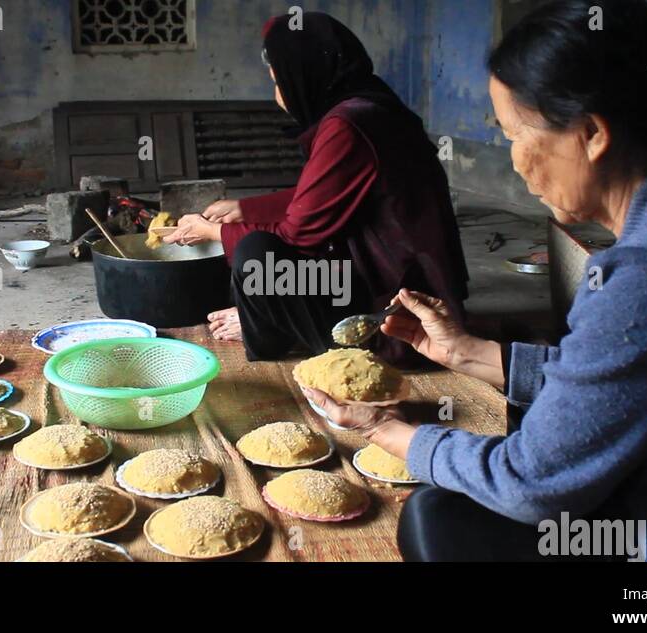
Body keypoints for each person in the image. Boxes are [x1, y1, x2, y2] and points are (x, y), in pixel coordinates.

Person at [305, 0, 647, 561]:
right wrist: (467, 353)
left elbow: (533, 483)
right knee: (444, 516)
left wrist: (392, 433)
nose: (514, 161)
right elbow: (621, 382)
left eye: (515, 133)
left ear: (591, 133)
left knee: (439, 524)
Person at [163, 12, 468, 367]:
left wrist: (213, 231)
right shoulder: (373, 106)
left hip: (388, 306)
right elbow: (330, 195)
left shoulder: (348, 126)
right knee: (258, 256)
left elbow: (300, 233)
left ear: (303, 75)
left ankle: (269, 331)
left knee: (256, 255)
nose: (278, 93)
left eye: (279, 81)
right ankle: (266, 317)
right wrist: (245, 209)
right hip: (396, 279)